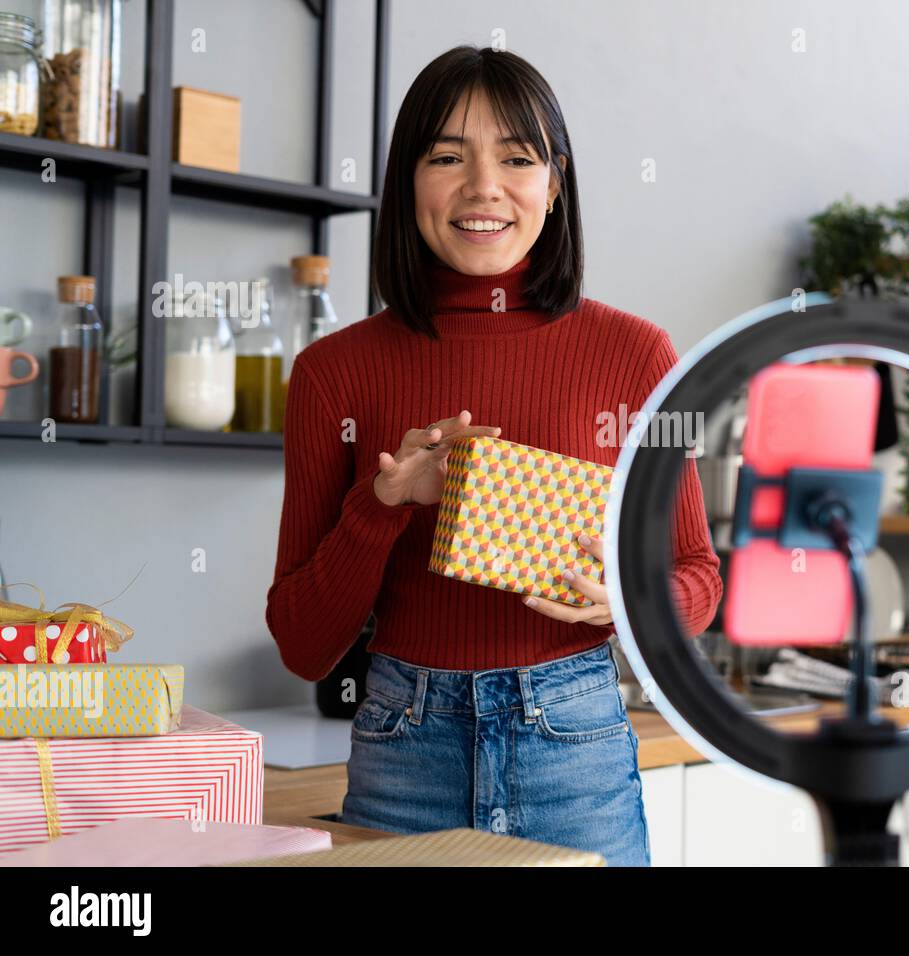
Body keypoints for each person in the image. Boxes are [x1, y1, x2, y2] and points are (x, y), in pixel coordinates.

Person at [265, 45, 723, 867]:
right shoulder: (332, 372)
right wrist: (382, 506)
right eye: (448, 157)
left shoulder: (637, 355)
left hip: (576, 746)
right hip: (404, 745)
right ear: (409, 182)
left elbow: (697, 573)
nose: (484, 187)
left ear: (555, 183)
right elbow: (302, 644)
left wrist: (628, 599)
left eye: (517, 158)